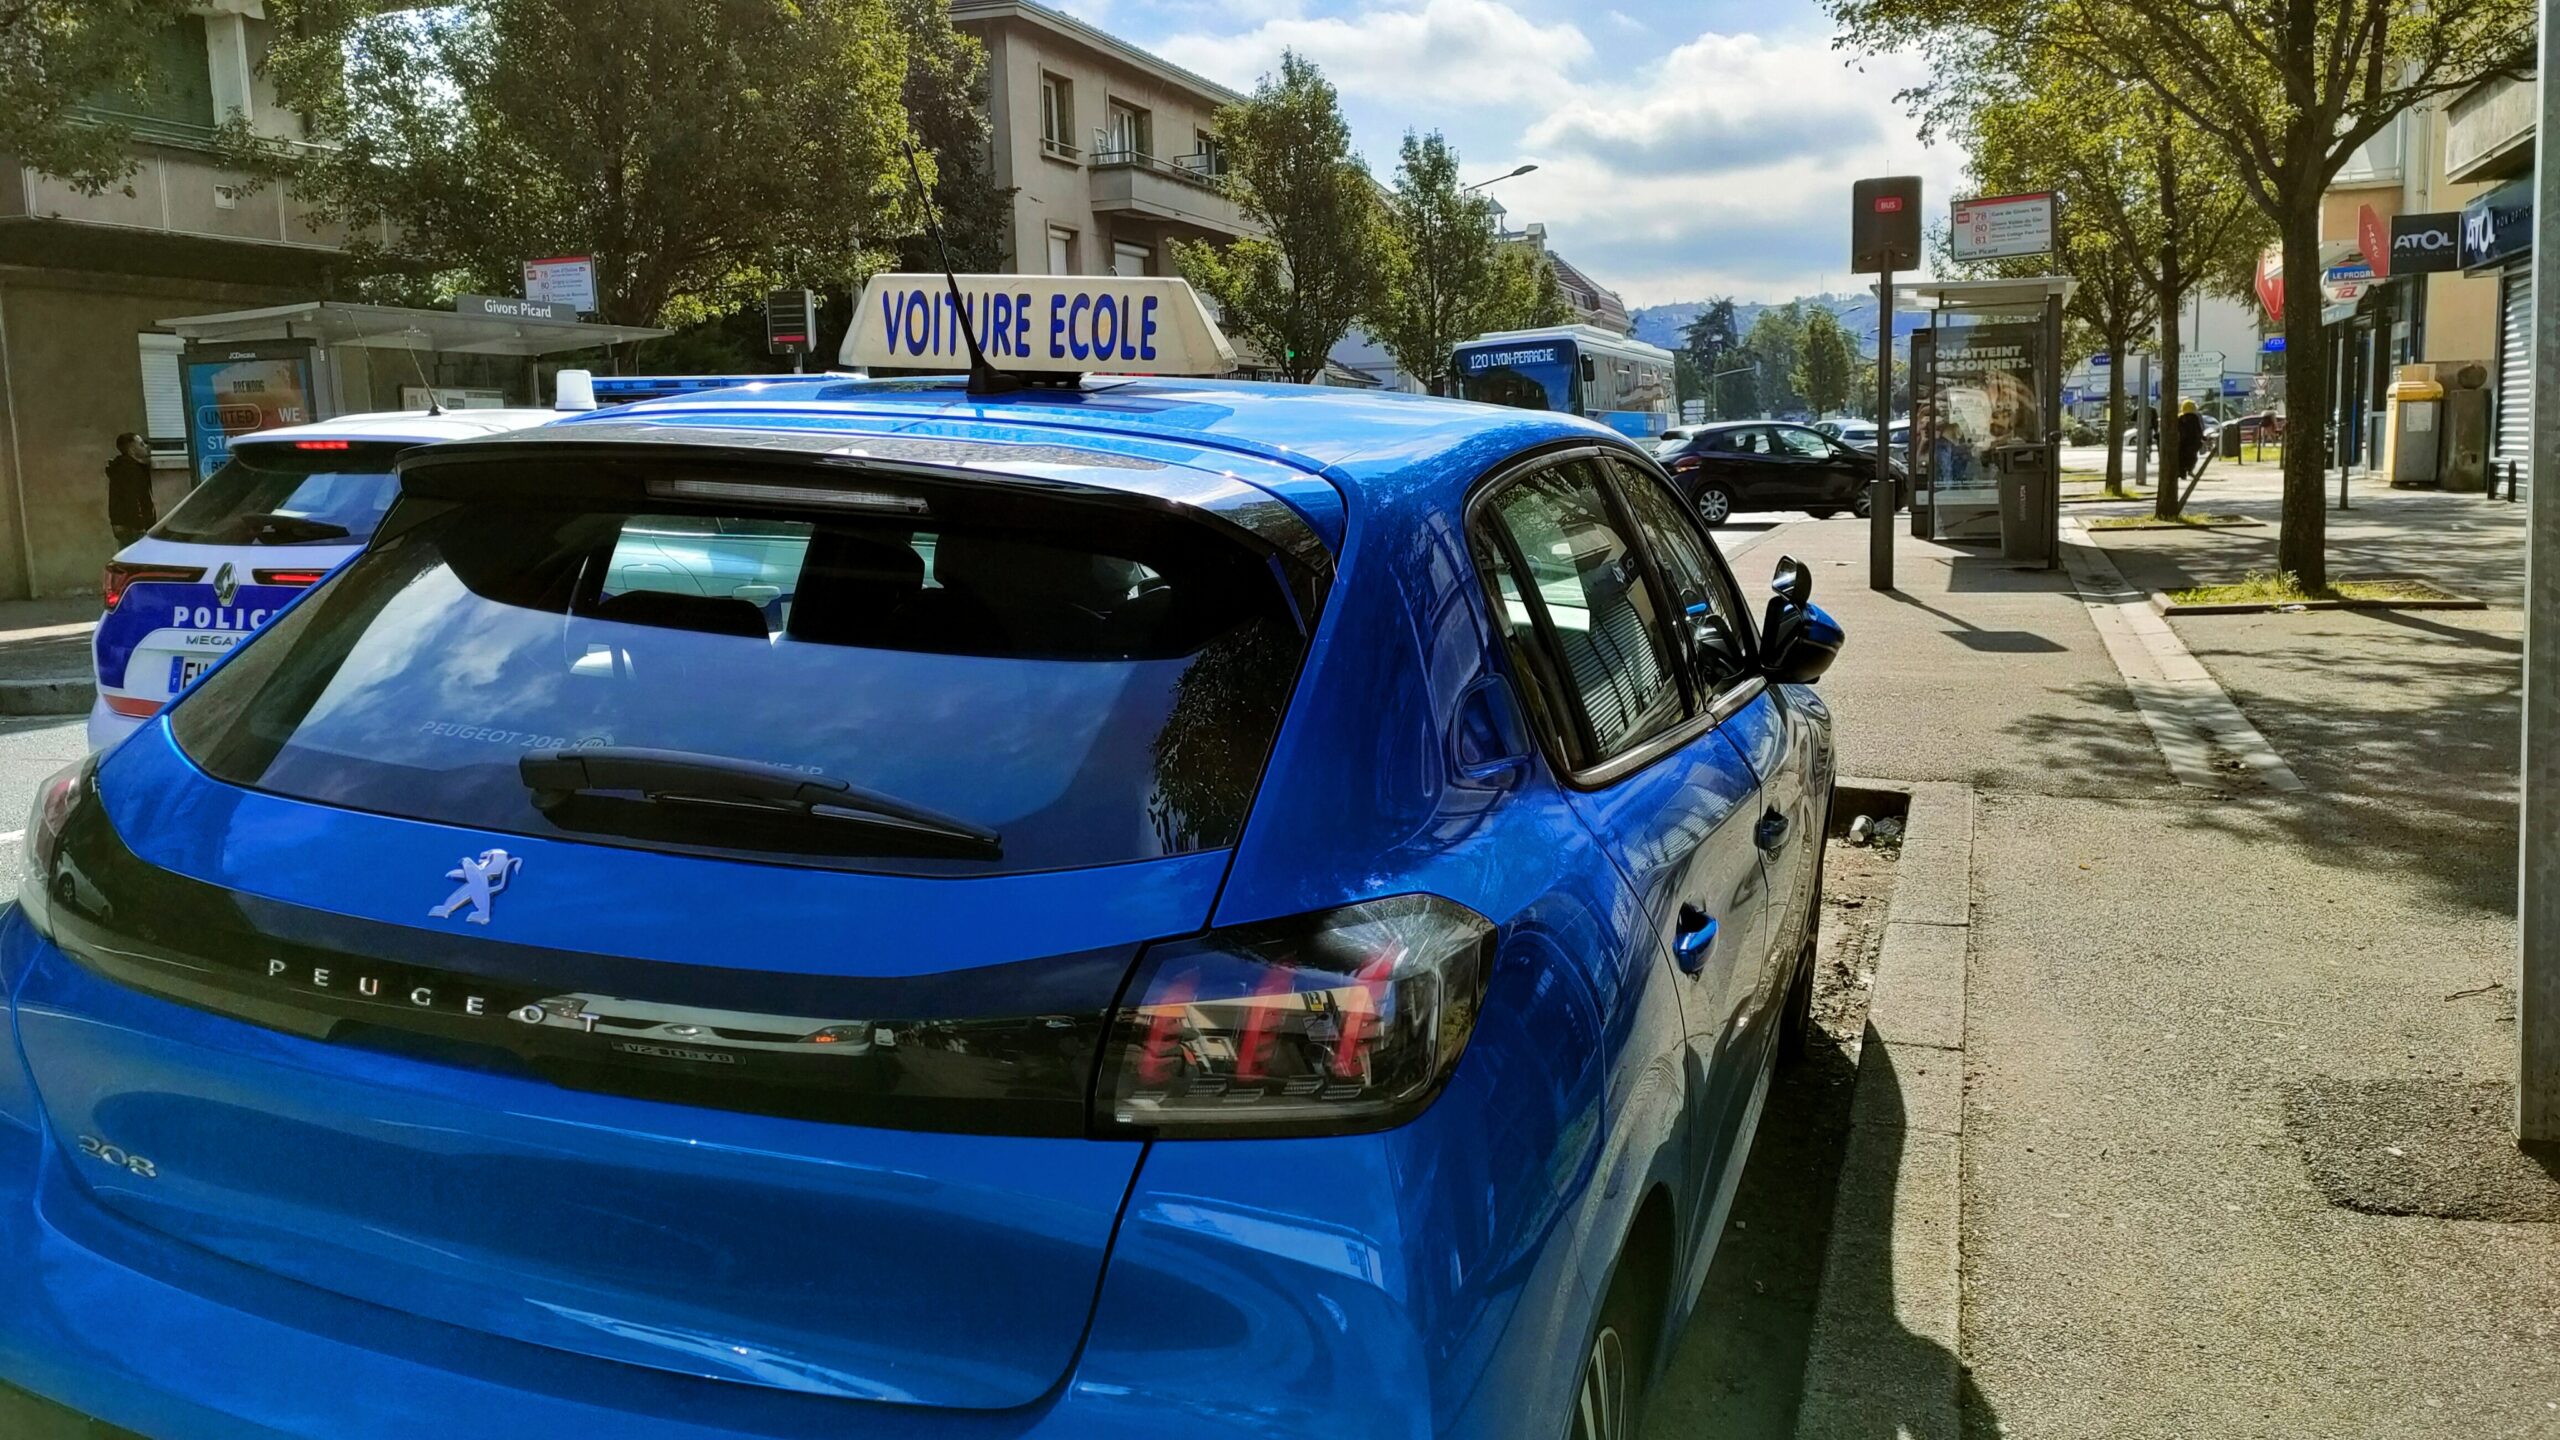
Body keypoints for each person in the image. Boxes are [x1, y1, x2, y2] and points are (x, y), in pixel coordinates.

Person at [105, 432, 157, 546]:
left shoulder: (125, 467)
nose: (146, 447)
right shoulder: (130, 470)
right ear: (132, 449)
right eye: (141, 444)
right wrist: (140, 526)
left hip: (128, 526)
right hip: (134, 528)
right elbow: (132, 498)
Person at [2176, 399, 2207, 482]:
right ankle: (2189, 470)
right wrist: (2202, 437)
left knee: (2181, 458)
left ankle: (2182, 473)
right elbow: (2198, 430)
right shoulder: (2195, 418)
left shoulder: (2180, 418)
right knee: (2193, 457)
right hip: (2193, 442)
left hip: (2182, 443)